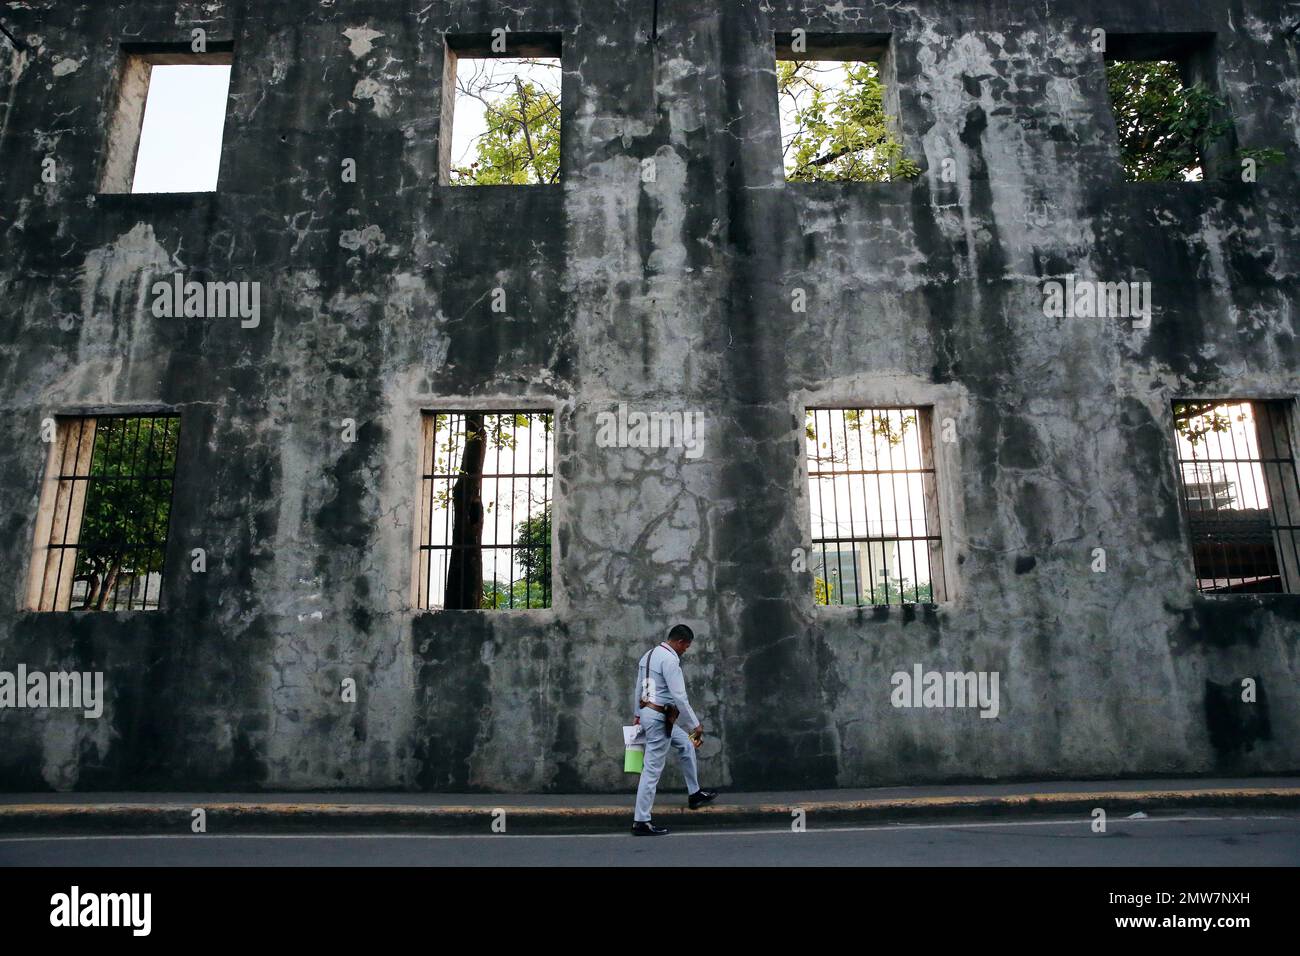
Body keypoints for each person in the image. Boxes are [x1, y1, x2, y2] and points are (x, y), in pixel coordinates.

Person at [631, 624, 718, 835]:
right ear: (679, 642)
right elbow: (680, 697)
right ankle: (641, 821)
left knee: (687, 744)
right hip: (660, 717)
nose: (685, 650)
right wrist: (694, 725)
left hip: (649, 713)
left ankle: (694, 793)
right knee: (651, 770)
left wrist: (636, 714)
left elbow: (638, 687)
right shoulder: (670, 660)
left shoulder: (649, 655)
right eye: (686, 647)